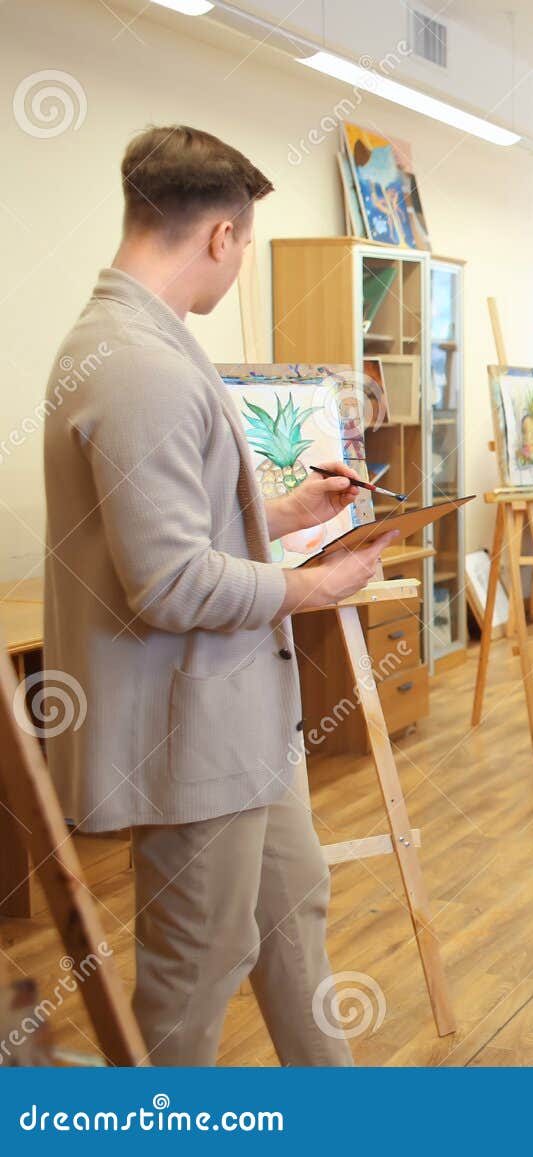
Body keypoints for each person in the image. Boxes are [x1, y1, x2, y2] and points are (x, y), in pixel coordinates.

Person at [43, 126, 396, 1065]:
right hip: (189, 726)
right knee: (196, 963)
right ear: (220, 239)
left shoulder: (147, 342)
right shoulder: (136, 363)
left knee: (293, 914)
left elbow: (184, 528)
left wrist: (281, 509)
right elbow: (167, 581)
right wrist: (315, 583)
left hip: (239, 720)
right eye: (243, 249)